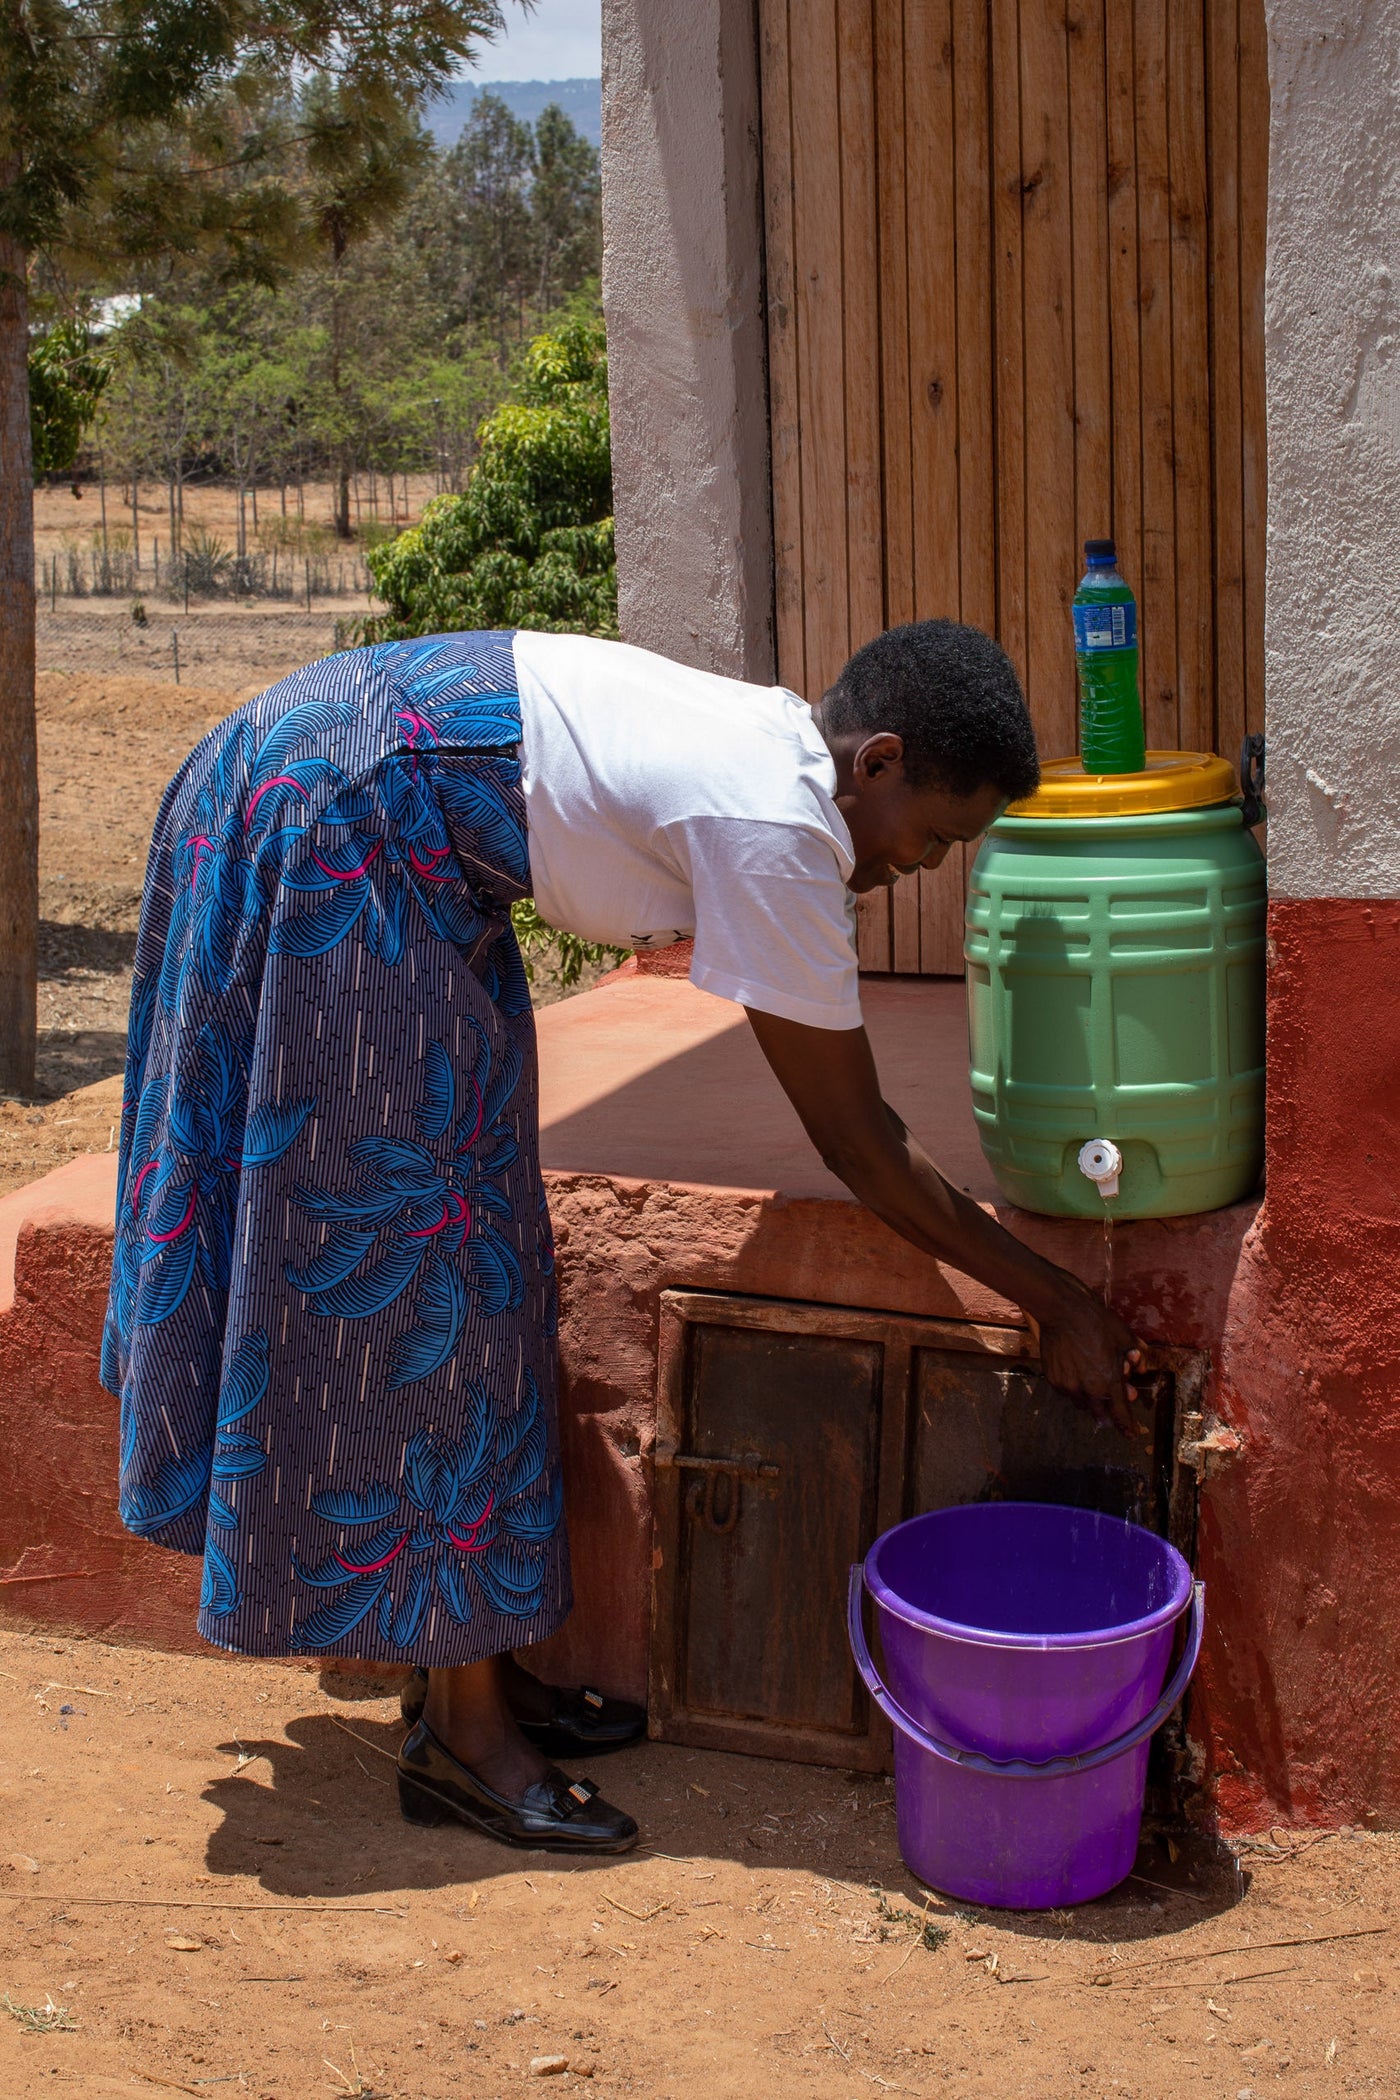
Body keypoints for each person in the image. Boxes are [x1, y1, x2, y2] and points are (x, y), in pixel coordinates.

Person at [102, 620, 1139, 1858]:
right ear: (876, 762)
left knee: (467, 1252)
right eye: (936, 836)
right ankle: (464, 1741)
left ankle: (465, 1672)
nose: (923, 869)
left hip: (334, 786)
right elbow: (856, 1141)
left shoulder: (772, 750)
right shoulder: (779, 826)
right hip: (344, 825)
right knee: (429, 1276)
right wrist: (1053, 1301)